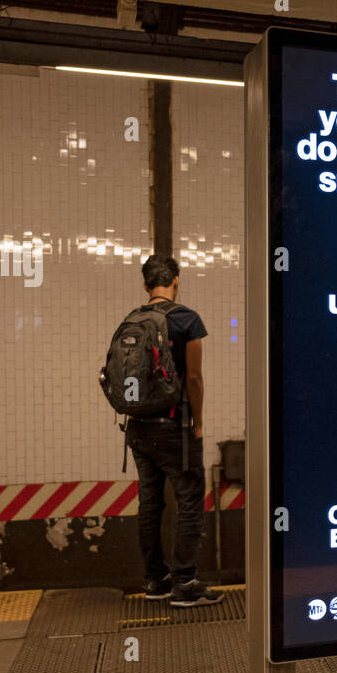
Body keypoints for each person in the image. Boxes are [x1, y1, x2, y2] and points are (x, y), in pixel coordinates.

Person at [126, 255, 224, 608]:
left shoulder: (132, 320)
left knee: (150, 503)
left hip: (137, 428)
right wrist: (198, 423)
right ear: (176, 281)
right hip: (174, 426)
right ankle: (185, 582)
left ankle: (156, 580)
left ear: (145, 285)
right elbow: (194, 378)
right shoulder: (186, 319)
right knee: (190, 500)